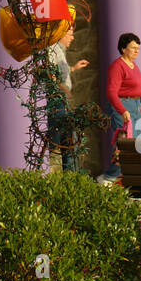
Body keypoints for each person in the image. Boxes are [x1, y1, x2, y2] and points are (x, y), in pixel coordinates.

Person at [103, 32, 141, 182]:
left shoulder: (134, 66)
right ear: (123, 48)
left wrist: (137, 107)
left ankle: (132, 177)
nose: (136, 51)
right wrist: (122, 110)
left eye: (138, 48)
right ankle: (110, 177)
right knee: (124, 146)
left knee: (139, 144)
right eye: (133, 47)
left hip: (135, 106)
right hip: (123, 106)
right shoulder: (117, 66)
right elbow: (111, 92)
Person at [47, 26, 90, 172]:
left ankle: (72, 175)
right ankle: (71, 175)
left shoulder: (60, 50)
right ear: (61, 35)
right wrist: (64, 90)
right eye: (70, 34)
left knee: (71, 140)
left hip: (62, 101)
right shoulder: (52, 49)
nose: (73, 38)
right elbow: (50, 74)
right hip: (56, 102)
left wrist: (73, 68)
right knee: (64, 141)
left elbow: (60, 73)